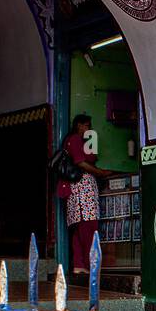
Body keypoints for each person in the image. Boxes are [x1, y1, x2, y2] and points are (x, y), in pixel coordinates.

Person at [58, 113, 113, 276]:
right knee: (88, 226)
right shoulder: (74, 140)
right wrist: (100, 172)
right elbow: (80, 162)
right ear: (79, 126)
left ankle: (79, 264)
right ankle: (91, 264)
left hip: (79, 190)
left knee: (79, 229)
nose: (88, 129)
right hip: (81, 189)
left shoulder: (79, 141)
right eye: (86, 125)